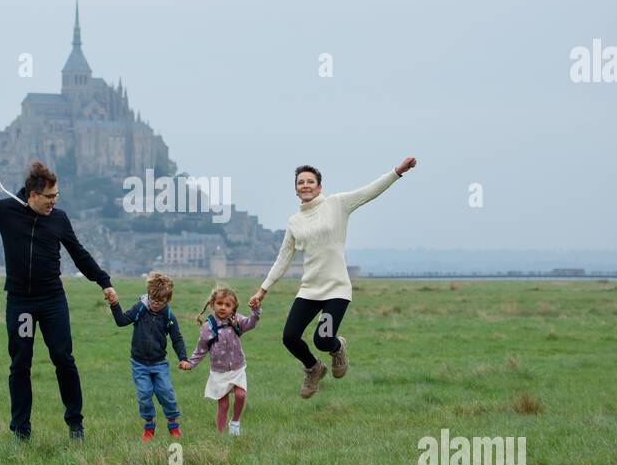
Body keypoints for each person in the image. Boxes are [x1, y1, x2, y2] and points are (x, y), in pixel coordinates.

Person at [0, 137, 117, 440]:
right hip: (21, 304)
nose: (54, 201)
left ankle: (75, 424)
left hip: (52, 301)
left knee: (63, 358)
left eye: (56, 195)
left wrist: (103, 281)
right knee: (20, 364)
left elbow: (79, 253)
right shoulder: (6, 211)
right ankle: (21, 431)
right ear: (33, 194)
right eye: (49, 196)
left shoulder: (59, 219)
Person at [250, 157, 417, 398]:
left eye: (310, 181)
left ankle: (338, 347)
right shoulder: (294, 222)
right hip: (309, 290)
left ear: (319, 187)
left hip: (336, 291)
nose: (305, 185)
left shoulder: (337, 204)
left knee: (323, 338)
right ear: (296, 189)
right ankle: (314, 368)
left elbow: (369, 191)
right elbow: (283, 258)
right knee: (289, 337)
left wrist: (397, 172)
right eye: (300, 182)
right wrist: (262, 290)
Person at [109, 272, 188, 440]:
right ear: (149, 295)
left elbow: (177, 338)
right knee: (144, 395)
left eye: (160, 301)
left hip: (159, 363)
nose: (155, 304)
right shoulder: (140, 308)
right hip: (139, 364)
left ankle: (173, 424)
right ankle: (149, 425)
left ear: (167, 300)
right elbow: (121, 321)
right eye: (153, 300)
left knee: (166, 391)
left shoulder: (168, 315)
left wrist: (183, 358)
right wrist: (115, 305)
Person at [180, 286, 260, 436]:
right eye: (219, 303)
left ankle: (235, 422)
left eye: (227, 305)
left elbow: (251, 323)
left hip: (237, 368)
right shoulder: (208, 327)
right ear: (212, 304)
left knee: (241, 395)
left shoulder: (236, 320)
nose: (223, 307)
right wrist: (190, 363)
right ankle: (221, 435)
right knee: (223, 405)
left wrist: (255, 312)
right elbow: (200, 349)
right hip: (219, 372)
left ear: (233, 308)